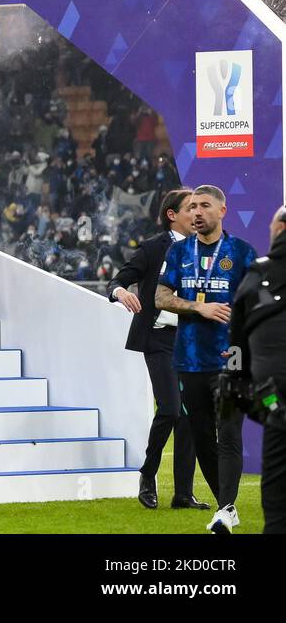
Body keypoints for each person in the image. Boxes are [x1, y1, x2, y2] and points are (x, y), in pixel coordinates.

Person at [155, 185, 257, 533]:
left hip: (231, 357)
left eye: (204, 206)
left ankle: (226, 509)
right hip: (190, 358)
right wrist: (198, 306)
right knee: (201, 437)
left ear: (222, 211)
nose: (197, 212)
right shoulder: (179, 250)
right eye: (193, 206)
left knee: (228, 432)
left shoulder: (242, 253)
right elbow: (160, 296)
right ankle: (224, 505)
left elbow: (256, 303)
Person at [106, 188, 206, 510]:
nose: (197, 214)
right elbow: (119, 279)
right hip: (160, 339)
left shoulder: (207, 249)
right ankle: (148, 475)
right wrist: (120, 291)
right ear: (172, 215)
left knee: (189, 416)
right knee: (171, 409)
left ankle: (183, 494)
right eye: (191, 208)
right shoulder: (153, 248)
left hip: (190, 341)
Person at [229, 204, 286, 534]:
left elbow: (236, 350)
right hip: (272, 397)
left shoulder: (256, 275)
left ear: (278, 230)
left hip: (273, 402)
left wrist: (238, 382)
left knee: (278, 505)